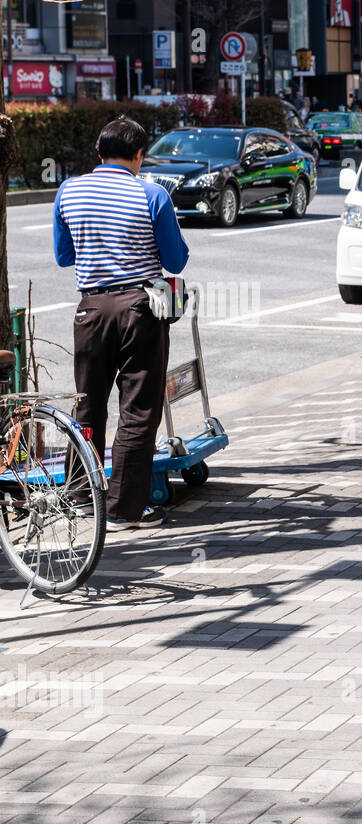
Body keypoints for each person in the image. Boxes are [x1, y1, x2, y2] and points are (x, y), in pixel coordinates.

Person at [52, 117, 190, 532]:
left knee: (87, 404)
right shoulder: (152, 194)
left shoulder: (68, 190)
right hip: (138, 309)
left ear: (98, 153)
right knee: (138, 408)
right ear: (138, 155)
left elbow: (63, 256)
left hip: (89, 309)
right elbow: (176, 260)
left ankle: (80, 497)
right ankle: (124, 510)